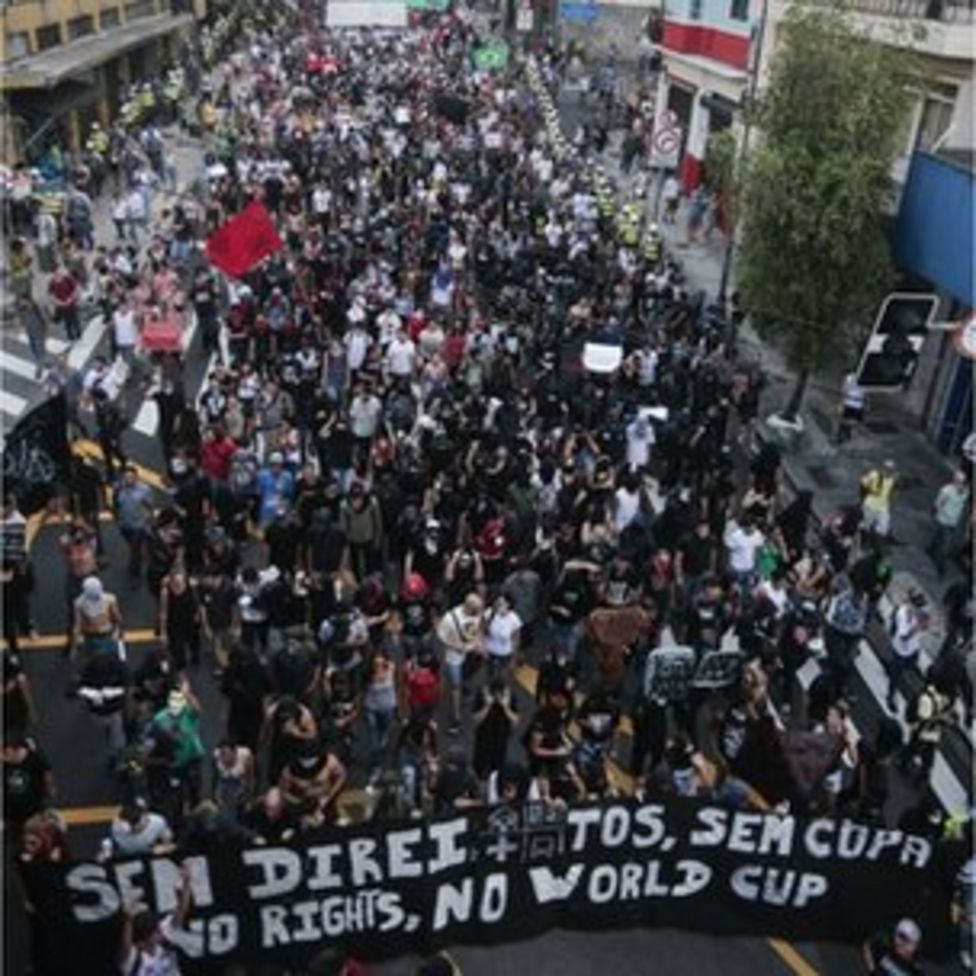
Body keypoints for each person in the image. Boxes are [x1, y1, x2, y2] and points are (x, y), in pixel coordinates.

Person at [119, 863, 201, 976]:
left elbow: (182, 910)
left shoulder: (163, 941)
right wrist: (128, 920)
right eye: (156, 931)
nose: (161, 931)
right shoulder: (133, 958)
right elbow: (125, 947)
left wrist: (186, 881)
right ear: (142, 941)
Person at [926, 468, 970, 575]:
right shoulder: (946, 490)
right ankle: (941, 566)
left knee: (939, 536)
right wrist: (935, 512)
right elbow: (937, 503)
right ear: (955, 481)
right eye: (958, 481)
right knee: (945, 544)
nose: (960, 484)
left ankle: (930, 549)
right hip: (944, 519)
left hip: (953, 521)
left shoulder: (965, 492)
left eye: (962, 482)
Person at [115, 465, 154, 583]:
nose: (128, 480)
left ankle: (134, 574)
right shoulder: (119, 489)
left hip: (138, 525)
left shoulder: (144, 490)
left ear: (136, 478)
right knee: (133, 546)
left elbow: (149, 506)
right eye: (126, 477)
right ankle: (140, 559)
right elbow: (116, 504)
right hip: (124, 525)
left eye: (131, 477)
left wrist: (147, 519)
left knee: (134, 550)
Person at [860, 460, 897, 541]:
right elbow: (863, 482)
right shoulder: (875, 475)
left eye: (890, 469)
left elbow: (893, 491)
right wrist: (869, 490)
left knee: (883, 529)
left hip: (883, 508)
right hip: (870, 506)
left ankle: (875, 541)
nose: (888, 471)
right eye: (886, 468)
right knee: (865, 526)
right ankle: (863, 541)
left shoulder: (892, 479)